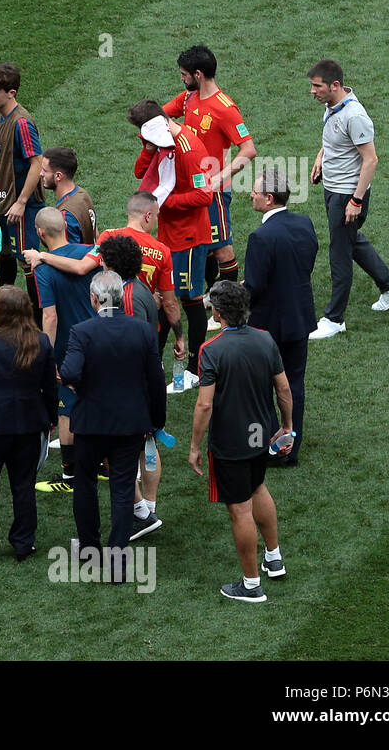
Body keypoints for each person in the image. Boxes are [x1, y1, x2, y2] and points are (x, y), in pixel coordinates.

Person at [188, 280, 293, 602]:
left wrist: (194, 446)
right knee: (258, 487)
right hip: (261, 435)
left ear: (218, 314)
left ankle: (251, 585)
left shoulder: (212, 350)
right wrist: (287, 426)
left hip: (230, 443)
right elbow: (284, 389)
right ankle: (273, 558)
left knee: (239, 509)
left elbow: (205, 404)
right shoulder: (265, 340)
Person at [60, 271, 166, 581]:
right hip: (130, 423)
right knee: (122, 489)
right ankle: (118, 562)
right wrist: (156, 420)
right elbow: (157, 380)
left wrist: (81, 383)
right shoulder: (143, 331)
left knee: (86, 485)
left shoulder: (82, 331)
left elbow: (69, 372)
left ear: (94, 298)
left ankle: (90, 550)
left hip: (91, 423)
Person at [306, 59, 389, 339]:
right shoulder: (332, 107)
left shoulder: (355, 115)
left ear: (335, 86)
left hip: (346, 195)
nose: (312, 92)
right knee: (351, 241)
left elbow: (371, 159)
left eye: (317, 86)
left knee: (339, 254)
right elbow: (333, 140)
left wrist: (356, 200)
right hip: (333, 189)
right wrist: (321, 158)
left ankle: (335, 318)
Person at [27, 190, 185, 368]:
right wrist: (179, 335)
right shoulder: (162, 251)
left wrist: (43, 257)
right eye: (156, 216)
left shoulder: (109, 237)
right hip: (146, 319)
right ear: (148, 216)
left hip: (113, 325)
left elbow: (81, 268)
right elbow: (170, 304)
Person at [0, 286, 56, 563]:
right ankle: (23, 543)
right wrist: (50, 421)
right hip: (28, 425)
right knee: (24, 487)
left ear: (0, 311)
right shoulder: (41, 341)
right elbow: (50, 389)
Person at [128, 99, 213, 388]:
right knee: (165, 299)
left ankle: (194, 368)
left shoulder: (190, 150)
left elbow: (205, 196)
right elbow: (141, 172)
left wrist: (164, 201)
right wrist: (147, 148)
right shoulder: (162, 142)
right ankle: (155, 361)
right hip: (168, 235)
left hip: (189, 237)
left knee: (190, 300)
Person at [164, 45, 257, 291]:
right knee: (201, 244)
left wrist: (219, 179)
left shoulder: (225, 109)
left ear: (197, 74)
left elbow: (248, 149)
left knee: (221, 248)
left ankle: (227, 304)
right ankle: (211, 294)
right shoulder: (188, 98)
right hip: (191, 188)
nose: (181, 79)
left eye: (184, 75)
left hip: (213, 192)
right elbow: (161, 115)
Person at [244, 166, 317, 466]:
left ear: (269, 198)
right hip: (300, 318)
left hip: (268, 325)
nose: (251, 194)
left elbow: (255, 286)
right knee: (294, 384)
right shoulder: (305, 224)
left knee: (263, 386)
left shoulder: (261, 236)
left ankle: (272, 448)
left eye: (256, 192)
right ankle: (291, 446)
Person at [97, 232, 167, 539]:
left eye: (103, 261)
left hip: (131, 387)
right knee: (146, 446)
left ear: (113, 266)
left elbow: (129, 344)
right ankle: (147, 509)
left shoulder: (125, 298)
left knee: (113, 451)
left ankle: (142, 512)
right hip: (146, 382)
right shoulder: (140, 289)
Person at [32, 207, 95, 491]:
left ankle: (69, 475)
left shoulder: (43, 269)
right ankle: (104, 464)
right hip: (98, 340)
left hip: (68, 347)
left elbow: (51, 316)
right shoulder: (90, 252)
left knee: (66, 407)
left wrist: (47, 353)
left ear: (41, 233)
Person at [0, 63, 45, 294]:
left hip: (21, 204)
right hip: (5, 200)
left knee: (27, 259)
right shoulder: (2, 117)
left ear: (11, 94)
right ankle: (4, 304)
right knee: (4, 250)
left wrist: (21, 202)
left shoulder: (21, 123)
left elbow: (36, 163)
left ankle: (39, 315)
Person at [40, 146, 96, 245]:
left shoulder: (66, 215)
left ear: (58, 176)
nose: (41, 174)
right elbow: (95, 232)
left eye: (45, 170)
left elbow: (69, 254)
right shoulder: (83, 194)